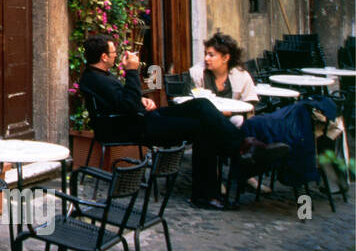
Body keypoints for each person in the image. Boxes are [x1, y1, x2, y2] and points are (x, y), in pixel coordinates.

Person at [78, 34, 259, 211]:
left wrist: (141, 99)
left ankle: (241, 147)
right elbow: (127, 106)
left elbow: (122, 101)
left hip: (142, 120)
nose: (116, 55)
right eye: (113, 53)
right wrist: (132, 71)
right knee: (203, 127)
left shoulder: (100, 76)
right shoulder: (96, 79)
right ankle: (210, 190)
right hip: (135, 127)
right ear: (104, 57)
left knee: (201, 105)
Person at [188, 31, 258, 127]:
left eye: (211, 55)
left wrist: (227, 113)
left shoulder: (242, 76)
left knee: (238, 120)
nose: (206, 58)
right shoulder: (197, 73)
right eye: (205, 54)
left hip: (232, 119)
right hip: (205, 120)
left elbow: (250, 103)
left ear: (225, 58)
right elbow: (189, 102)